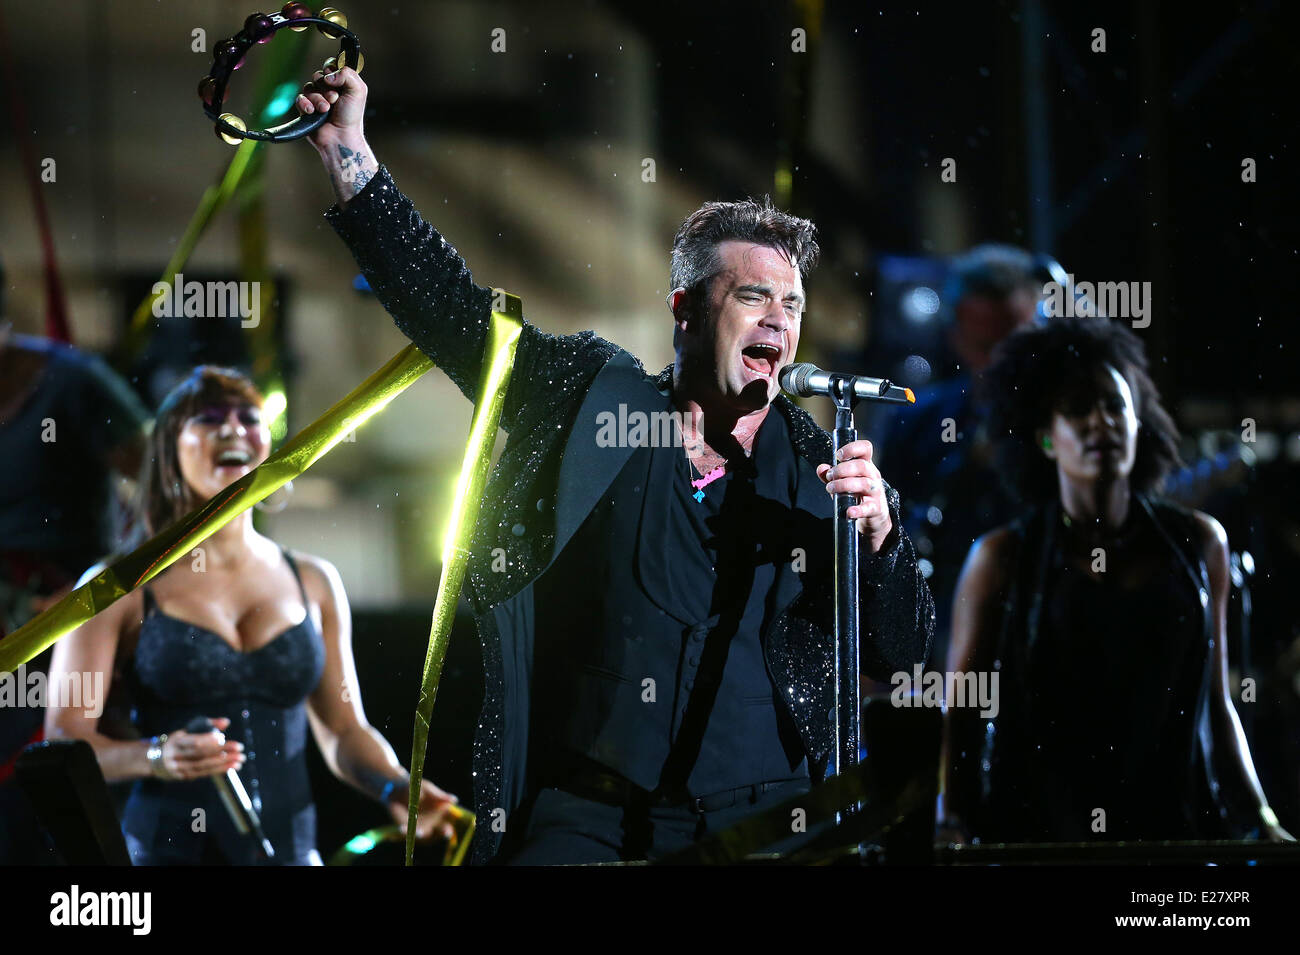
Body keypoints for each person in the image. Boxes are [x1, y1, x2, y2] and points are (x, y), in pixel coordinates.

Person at [296, 68, 935, 864]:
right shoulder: (593, 400)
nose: (778, 318)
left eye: (793, 304)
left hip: (770, 819)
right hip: (593, 815)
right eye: (754, 297)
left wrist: (880, 544)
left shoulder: (826, 464)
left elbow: (903, 656)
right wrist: (351, 156)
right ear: (687, 309)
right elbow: (456, 314)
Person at [45, 366, 460, 865]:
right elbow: (64, 740)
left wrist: (399, 790)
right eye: (209, 419)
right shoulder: (116, 586)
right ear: (170, 449)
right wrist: (155, 757)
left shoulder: (314, 580)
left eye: (247, 417)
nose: (232, 429)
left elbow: (345, 731)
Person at [937, 316, 1292, 843]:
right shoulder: (1003, 557)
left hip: (1173, 829)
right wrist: (953, 824)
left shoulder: (1198, 543)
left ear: (1137, 422)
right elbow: (963, 710)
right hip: (1040, 834)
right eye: (1078, 410)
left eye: (1114, 406)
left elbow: (1215, 703)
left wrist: (1260, 820)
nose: (1100, 422)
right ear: (1047, 438)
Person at [0, 258, 150, 863]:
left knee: (55, 800)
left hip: (65, 626)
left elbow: (166, 487)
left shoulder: (72, 382)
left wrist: (100, 591)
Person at [869, 245, 1044, 665]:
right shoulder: (915, 422)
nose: (1002, 361)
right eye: (986, 344)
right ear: (955, 337)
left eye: (1014, 341)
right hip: (937, 638)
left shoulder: (1069, 420)